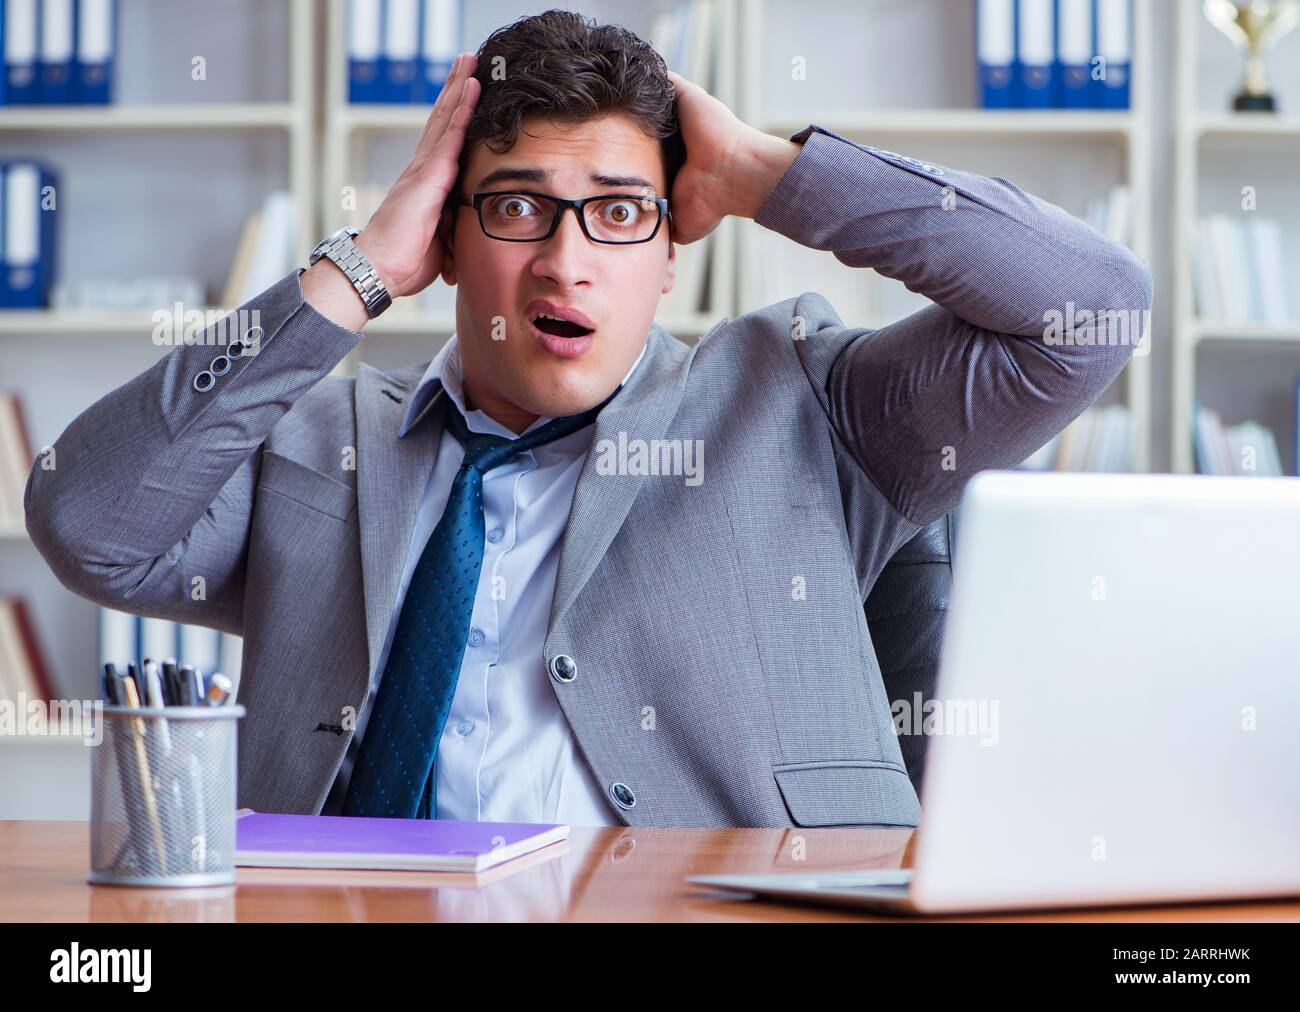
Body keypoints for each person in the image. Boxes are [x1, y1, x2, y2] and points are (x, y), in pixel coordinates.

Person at [26, 10, 1152, 827]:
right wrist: (356, 266)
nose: (566, 265)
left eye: (618, 213)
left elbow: (1092, 311)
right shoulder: (319, 441)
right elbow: (87, 518)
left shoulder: (803, 401)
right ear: (450, 237)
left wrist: (768, 173)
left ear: (670, 249)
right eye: (518, 207)